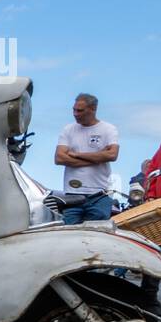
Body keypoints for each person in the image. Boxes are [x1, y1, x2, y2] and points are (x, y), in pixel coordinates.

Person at [54, 93, 118, 224]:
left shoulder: (108, 129)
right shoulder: (68, 129)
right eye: (74, 110)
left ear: (93, 109)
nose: (75, 114)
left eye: (80, 110)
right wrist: (98, 157)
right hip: (72, 195)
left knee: (96, 236)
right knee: (68, 235)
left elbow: (112, 155)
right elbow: (59, 158)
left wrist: (77, 154)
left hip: (99, 195)